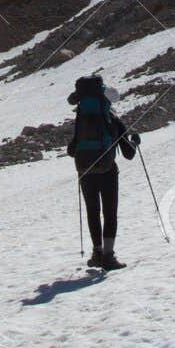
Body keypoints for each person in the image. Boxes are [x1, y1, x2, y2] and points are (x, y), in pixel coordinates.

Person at [66, 73, 139, 270]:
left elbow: (71, 150)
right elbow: (129, 154)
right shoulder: (112, 120)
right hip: (108, 171)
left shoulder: (81, 119)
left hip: (85, 171)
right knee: (109, 212)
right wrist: (135, 141)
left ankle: (96, 253)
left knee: (93, 211)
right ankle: (109, 256)